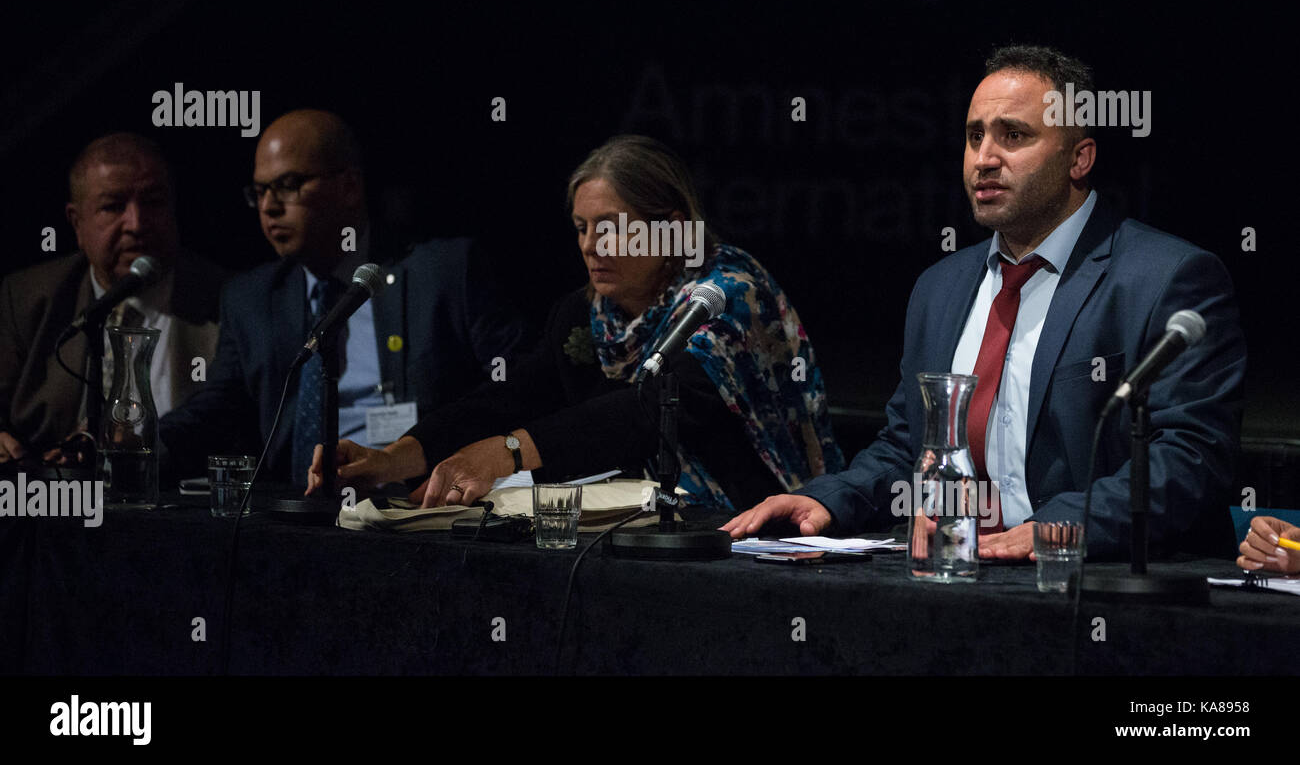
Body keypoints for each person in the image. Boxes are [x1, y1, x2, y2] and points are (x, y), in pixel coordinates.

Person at [723, 45, 1247, 560]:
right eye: (975, 137)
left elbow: (1189, 457)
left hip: (1094, 587)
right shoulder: (940, 287)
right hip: (960, 571)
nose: (984, 158)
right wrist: (826, 499)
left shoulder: (1166, 279)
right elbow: (908, 447)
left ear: (1079, 158)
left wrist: (1054, 530)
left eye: (1013, 136)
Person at [308, 134, 843, 511]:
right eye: (581, 227)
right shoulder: (587, 314)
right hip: (638, 534)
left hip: (754, 529)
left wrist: (508, 452)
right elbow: (513, 397)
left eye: (609, 227)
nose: (589, 245)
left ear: (672, 229)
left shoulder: (726, 297)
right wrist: (398, 456)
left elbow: (647, 409)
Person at [159, 109, 530, 485]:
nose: (270, 206)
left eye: (288, 184)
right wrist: (141, 440)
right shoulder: (250, 298)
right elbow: (219, 407)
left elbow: (517, 384)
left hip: (418, 502)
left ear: (349, 187)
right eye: (260, 191)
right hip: (298, 510)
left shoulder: (444, 273)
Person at [0, 133, 224, 466]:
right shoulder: (27, 297)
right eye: (113, 206)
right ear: (77, 223)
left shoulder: (228, 299)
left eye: (153, 202)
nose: (136, 223)